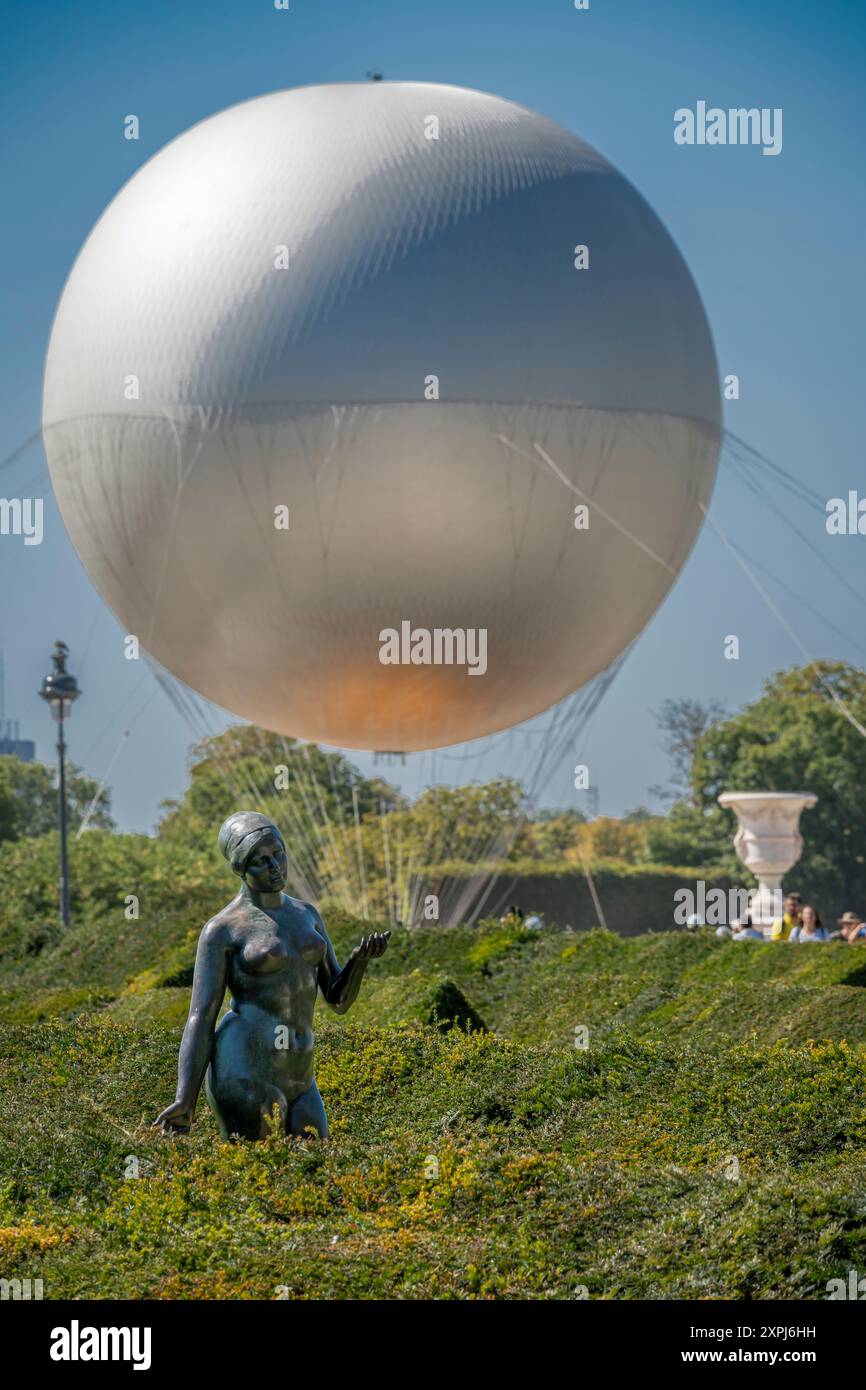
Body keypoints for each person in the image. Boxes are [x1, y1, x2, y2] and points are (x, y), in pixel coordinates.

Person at [155, 811, 389, 1141]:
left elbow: (337, 1000)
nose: (274, 866)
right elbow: (200, 1016)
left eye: (278, 853)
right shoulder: (222, 929)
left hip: (299, 1075)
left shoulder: (307, 914)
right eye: (260, 860)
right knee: (257, 1177)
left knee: (314, 1166)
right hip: (244, 1068)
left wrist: (358, 961)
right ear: (240, 868)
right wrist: (185, 1098)